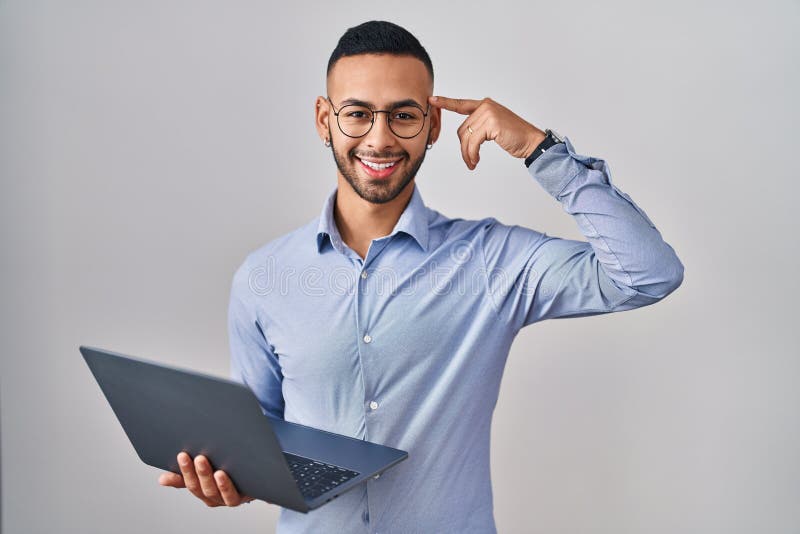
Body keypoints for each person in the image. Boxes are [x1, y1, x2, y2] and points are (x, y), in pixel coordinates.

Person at [158, 19, 684, 533]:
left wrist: (536, 149)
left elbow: (648, 275)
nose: (380, 139)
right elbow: (262, 430)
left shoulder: (491, 261)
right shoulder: (264, 277)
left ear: (433, 125)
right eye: (357, 114)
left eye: (404, 116)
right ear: (324, 121)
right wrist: (238, 475)